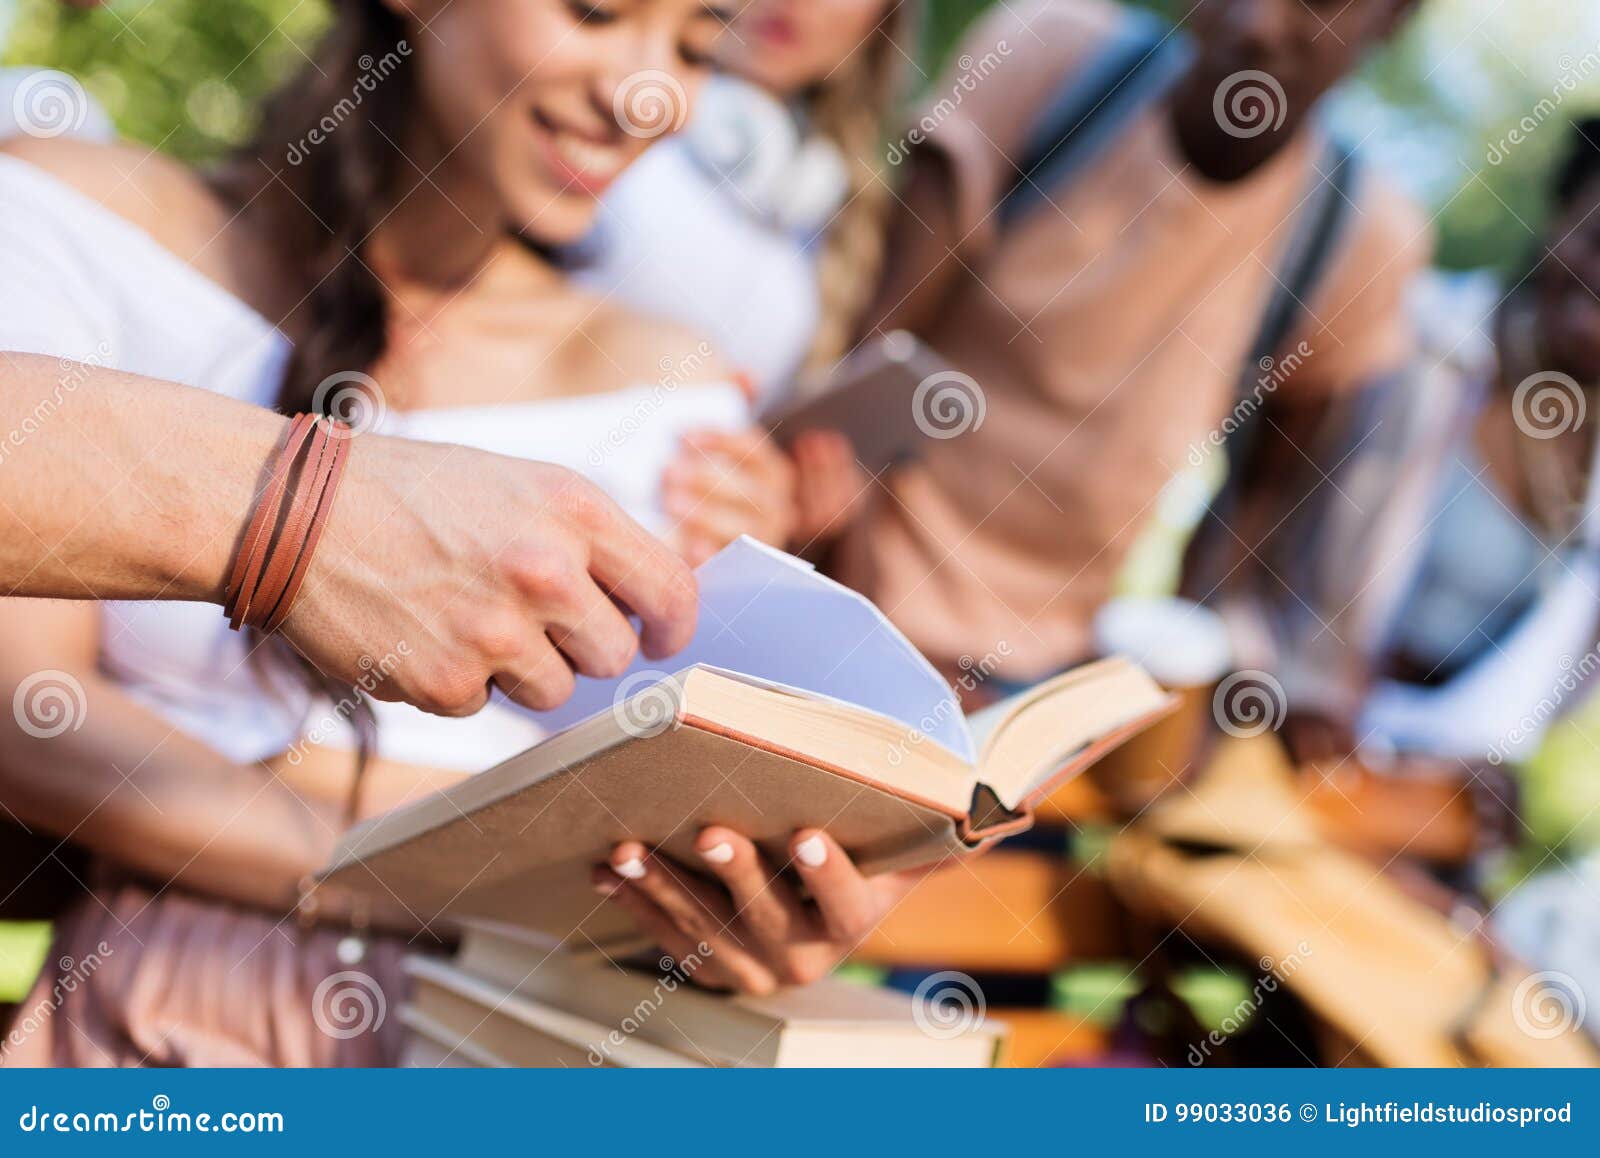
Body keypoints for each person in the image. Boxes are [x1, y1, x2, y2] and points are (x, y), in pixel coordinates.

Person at [0, 0, 893, 1067]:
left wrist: (720, 908)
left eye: (698, 46)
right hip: (178, 1025)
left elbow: (654, 793)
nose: (644, 94)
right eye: (598, 12)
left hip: (518, 1045)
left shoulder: (669, 391)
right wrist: (516, 882)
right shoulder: (77, 222)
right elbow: (33, 725)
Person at [806, 0, 1432, 697]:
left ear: (1392, 21)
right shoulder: (1056, 58)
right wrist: (865, 646)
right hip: (846, 584)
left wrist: (1181, 680)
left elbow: (1257, 505)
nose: (1257, 22)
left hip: (1047, 670)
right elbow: (862, 375)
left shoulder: (1357, 237)